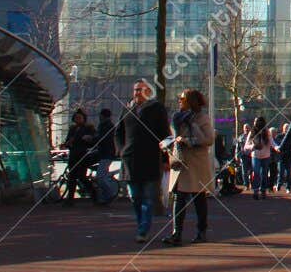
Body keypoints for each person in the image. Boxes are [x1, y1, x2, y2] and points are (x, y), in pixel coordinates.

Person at [119, 79, 170, 243]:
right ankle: (141, 223)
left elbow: (164, 135)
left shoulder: (156, 109)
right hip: (130, 160)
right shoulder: (127, 108)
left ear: (148, 92)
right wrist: (121, 150)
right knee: (135, 197)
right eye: (135, 90)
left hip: (150, 159)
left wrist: (165, 158)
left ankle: (143, 229)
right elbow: (118, 132)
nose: (136, 93)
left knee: (148, 197)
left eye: (140, 90)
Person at [163, 89, 214, 245]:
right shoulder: (177, 118)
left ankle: (201, 232)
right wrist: (168, 142)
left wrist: (187, 139)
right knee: (178, 198)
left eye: (182, 99)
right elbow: (174, 135)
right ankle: (176, 233)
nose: (179, 101)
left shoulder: (202, 118)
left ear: (190, 101)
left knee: (198, 198)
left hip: (195, 163)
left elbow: (208, 139)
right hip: (180, 161)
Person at [61, 108, 97, 204]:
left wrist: (88, 139)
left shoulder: (89, 128)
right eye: (76, 118)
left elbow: (93, 140)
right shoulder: (72, 129)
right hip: (73, 154)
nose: (78, 120)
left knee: (82, 176)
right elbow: (67, 141)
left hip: (82, 154)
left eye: (80, 118)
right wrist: (68, 143)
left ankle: (94, 195)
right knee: (72, 177)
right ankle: (70, 199)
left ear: (84, 119)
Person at [91, 107, 119, 203]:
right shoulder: (107, 125)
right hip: (106, 153)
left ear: (102, 116)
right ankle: (106, 195)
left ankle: (109, 193)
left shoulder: (106, 126)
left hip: (106, 154)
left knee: (100, 176)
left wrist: (92, 139)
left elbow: (102, 139)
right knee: (102, 175)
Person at [244, 116, 274, 199]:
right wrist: (253, 146)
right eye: (255, 121)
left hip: (266, 156)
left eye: (257, 121)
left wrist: (277, 147)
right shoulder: (252, 132)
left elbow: (272, 142)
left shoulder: (267, 132)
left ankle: (263, 190)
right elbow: (246, 146)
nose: (256, 123)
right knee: (256, 173)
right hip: (255, 156)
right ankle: (256, 190)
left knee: (264, 174)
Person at [276, 121, 291, 194]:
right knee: (281, 173)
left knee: (289, 174)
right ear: (283, 129)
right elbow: (277, 145)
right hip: (281, 157)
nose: (286, 129)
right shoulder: (279, 136)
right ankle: (278, 185)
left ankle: (288, 188)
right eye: (285, 128)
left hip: (290, 157)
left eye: (288, 128)